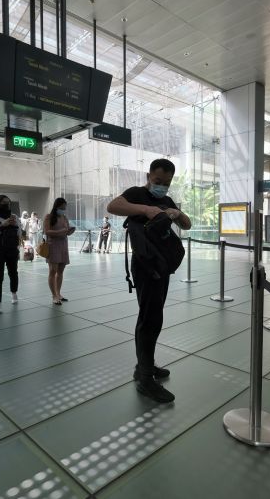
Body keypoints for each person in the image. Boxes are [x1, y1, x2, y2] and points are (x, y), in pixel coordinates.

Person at [107, 159, 191, 403]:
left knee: (154, 316)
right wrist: (145, 210)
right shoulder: (137, 193)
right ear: (148, 176)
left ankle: (144, 366)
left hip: (162, 265)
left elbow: (186, 224)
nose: (162, 186)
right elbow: (113, 206)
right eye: (158, 181)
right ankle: (145, 379)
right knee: (149, 318)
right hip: (145, 265)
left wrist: (177, 213)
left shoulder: (166, 200)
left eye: (167, 183)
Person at [0, 195, 24, 314]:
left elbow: (19, 233)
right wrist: (3, 225)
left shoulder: (15, 217)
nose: (6, 205)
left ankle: (14, 293)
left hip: (12, 249)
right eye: (3, 203)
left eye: (8, 202)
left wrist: (15, 226)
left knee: (13, 272)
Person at [44, 198, 75, 305]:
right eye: (61, 208)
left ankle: (58, 293)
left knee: (60, 271)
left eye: (64, 208)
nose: (63, 210)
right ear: (56, 207)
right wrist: (60, 231)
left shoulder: (64, 217)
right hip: (53, 246)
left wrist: (70, 231)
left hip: (63, 245)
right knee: (53, 271)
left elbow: (66, 232)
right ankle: (54, 295)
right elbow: (47, 231)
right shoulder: (49, 217)